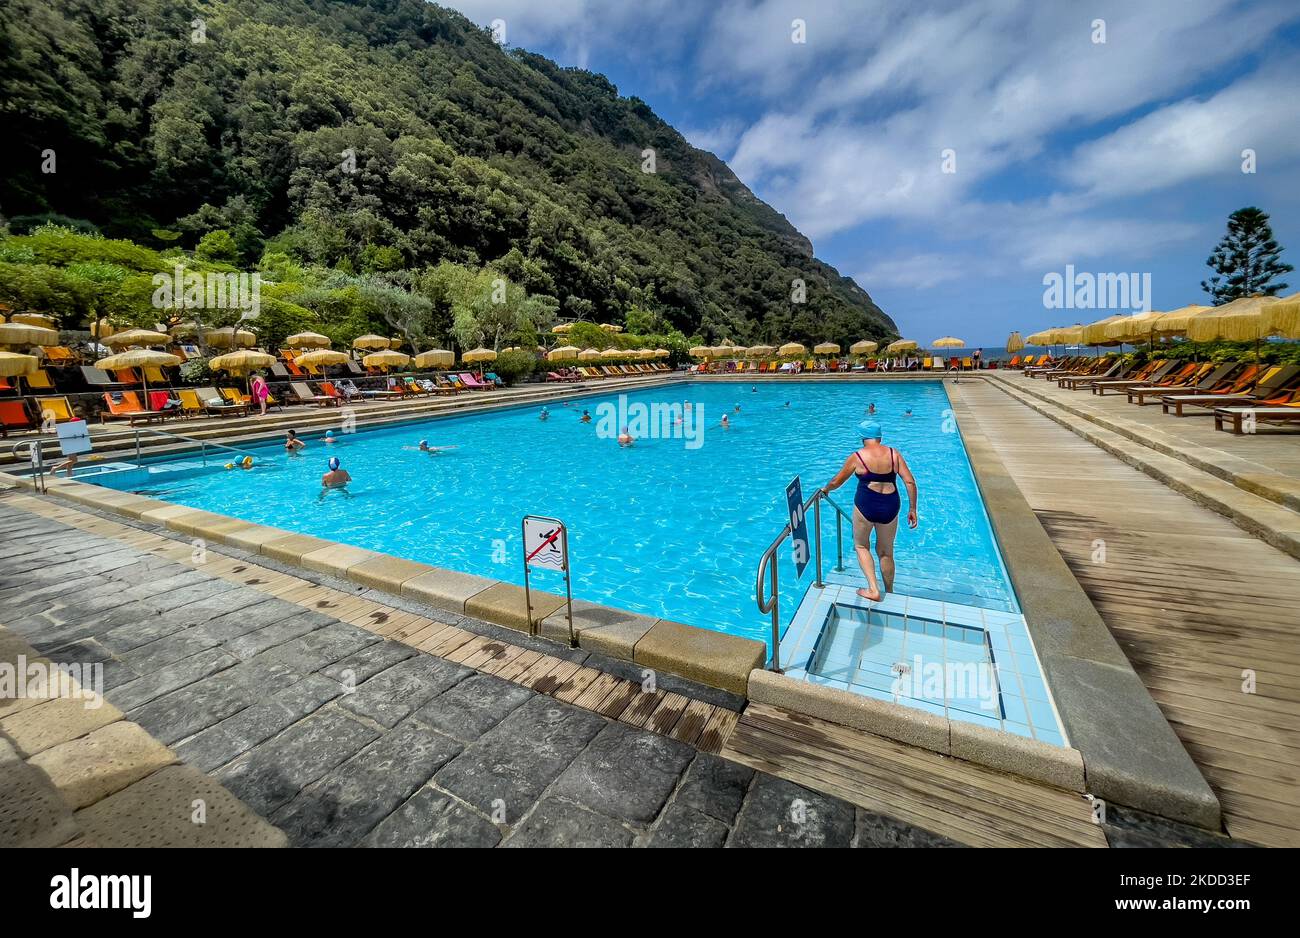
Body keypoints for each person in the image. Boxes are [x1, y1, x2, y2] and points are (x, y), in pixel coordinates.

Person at [821, 421, 918, 602]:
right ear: (880, 437)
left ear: (862, 438)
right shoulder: (893, 454)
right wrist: (912, 508)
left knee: (861, 545)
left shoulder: (858, 456)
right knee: (886, 552)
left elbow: (836, 481)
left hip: (866, 504)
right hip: (890, 504)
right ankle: (889, 591)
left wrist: (826, 489)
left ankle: (873, 589)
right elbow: (910, 482)